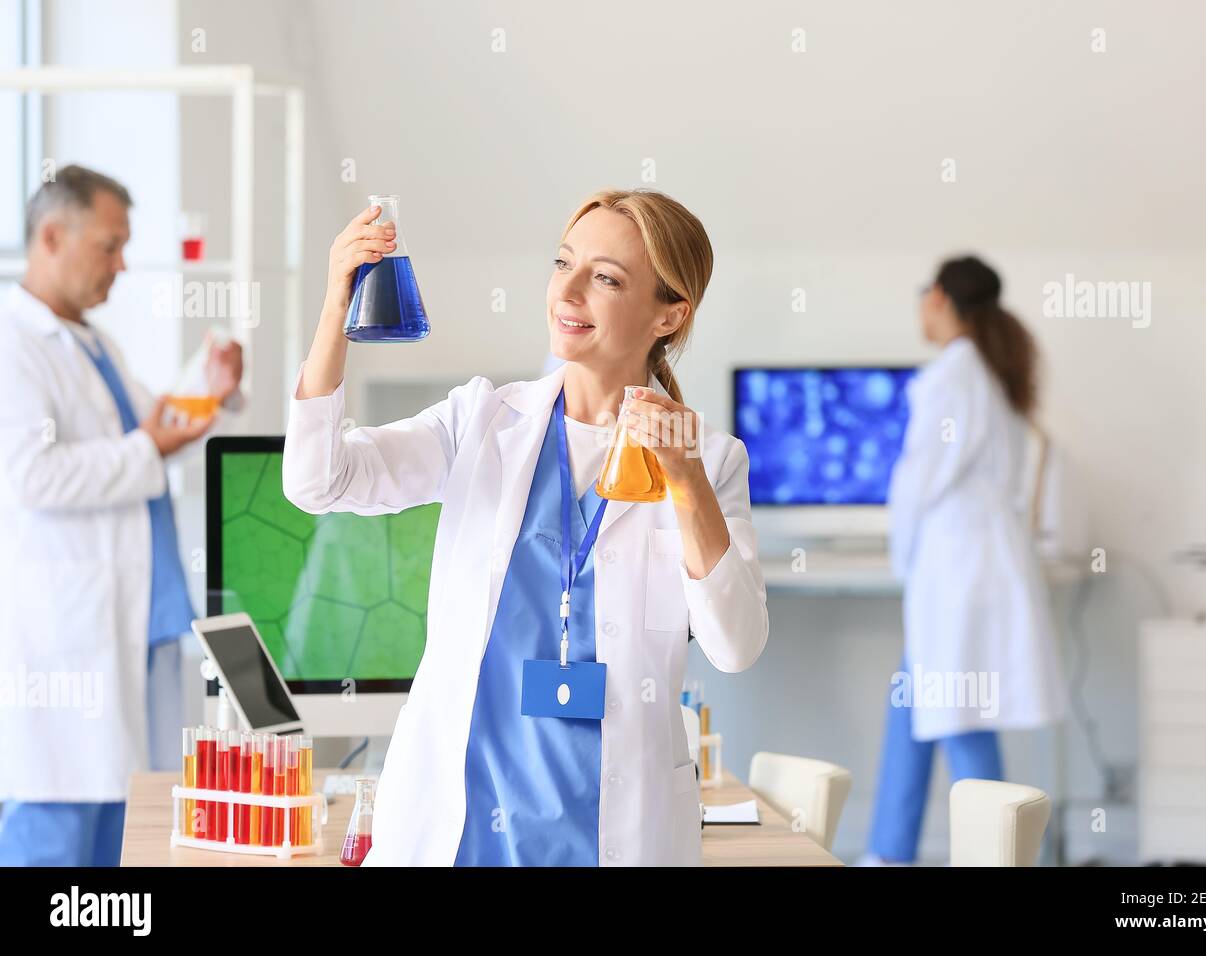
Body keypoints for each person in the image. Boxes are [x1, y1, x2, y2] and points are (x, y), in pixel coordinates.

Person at [283, 189, 768, 865]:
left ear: (670, 312)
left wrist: (685, 483)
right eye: (562, 263)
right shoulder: (481, 421)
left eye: (605, 278)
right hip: (460, 831)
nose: (567, 291)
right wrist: (338, 304)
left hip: (612, 835)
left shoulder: (709, 461)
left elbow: (736, 644)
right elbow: (318, 480)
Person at [0, 166, 245, 866]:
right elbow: (29, 475)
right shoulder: (13, 345)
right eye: (110, 246)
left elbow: (151, 423)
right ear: (52, 236)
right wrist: (151, 444)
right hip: (63, 636)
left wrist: (212, 387)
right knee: (56, 826)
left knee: (122, 828)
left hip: (127, 618)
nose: (122, 264)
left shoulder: (92, 342)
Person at [864, 255, 1065, 865]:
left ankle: (995, 857)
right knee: (913, 705)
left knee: (960, 716)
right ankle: (887, 852)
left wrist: (900, 558)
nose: (921, 304)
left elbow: (917, 482)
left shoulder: (955, 376)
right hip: (970, 573)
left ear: (944, 298)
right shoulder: (987, 373)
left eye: (926, 292)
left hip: (958, 579)